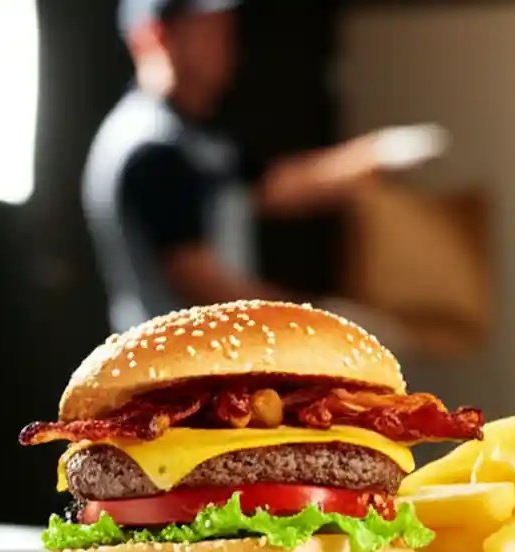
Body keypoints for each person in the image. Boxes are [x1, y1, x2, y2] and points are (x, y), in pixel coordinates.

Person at [82, 0, 443, 334]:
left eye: (227, 31)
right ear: (158, 37)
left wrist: (378, 154)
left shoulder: (193, 139)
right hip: (173, 381)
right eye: (209, 31)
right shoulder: (149, 148)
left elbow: (275, 186)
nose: (226, 47)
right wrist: (319, 320)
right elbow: (203, 285)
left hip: (216, 359)